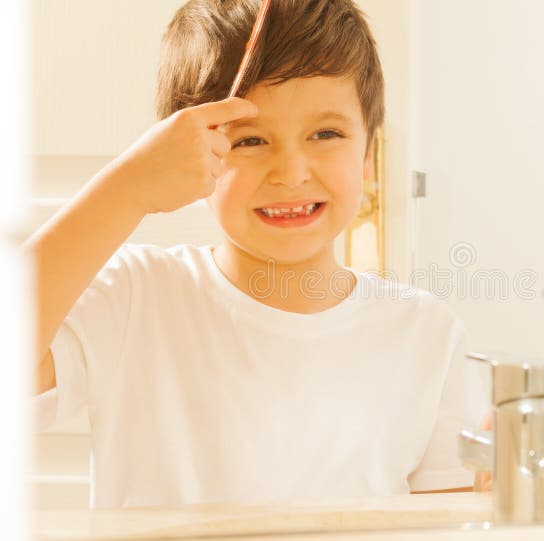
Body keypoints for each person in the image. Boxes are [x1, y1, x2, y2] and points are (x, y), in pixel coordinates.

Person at [25, 0, 489, 508]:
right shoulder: (135, 297)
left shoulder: (427, 333)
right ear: (189, 157)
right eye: (248, 140)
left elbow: (448, 520)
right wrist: (127, 190)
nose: (290, 172)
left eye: (325, 134)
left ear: (370, 156)